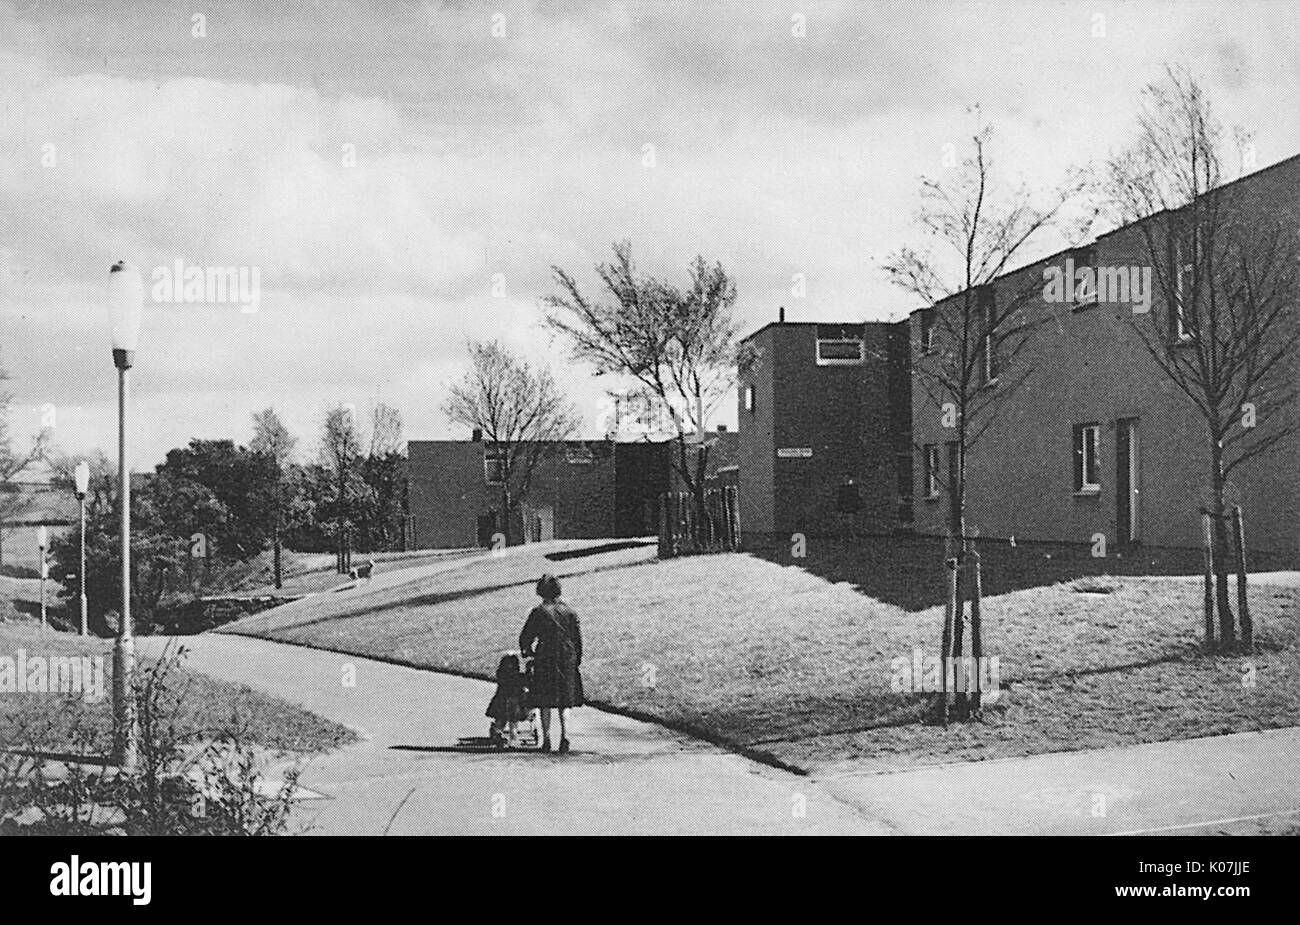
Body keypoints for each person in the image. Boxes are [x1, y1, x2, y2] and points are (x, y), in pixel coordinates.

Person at [519, 574, 584, 753]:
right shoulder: (570, 612)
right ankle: (565, 735)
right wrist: (576, 658)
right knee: (565, 700)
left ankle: (546, 738)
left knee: (544, 700)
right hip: (566, 656)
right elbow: (577, 638)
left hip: (545, 656)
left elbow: (526, 636)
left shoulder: (538, 612)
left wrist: (527, 650)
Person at [485, 651, 530, 747]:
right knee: (512, 718)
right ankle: (510, 736)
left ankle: (497, 730)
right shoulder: (519, 677)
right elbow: (526, 685)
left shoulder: (502, 677)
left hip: (504, 703)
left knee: (502, 718)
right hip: (515, 704)